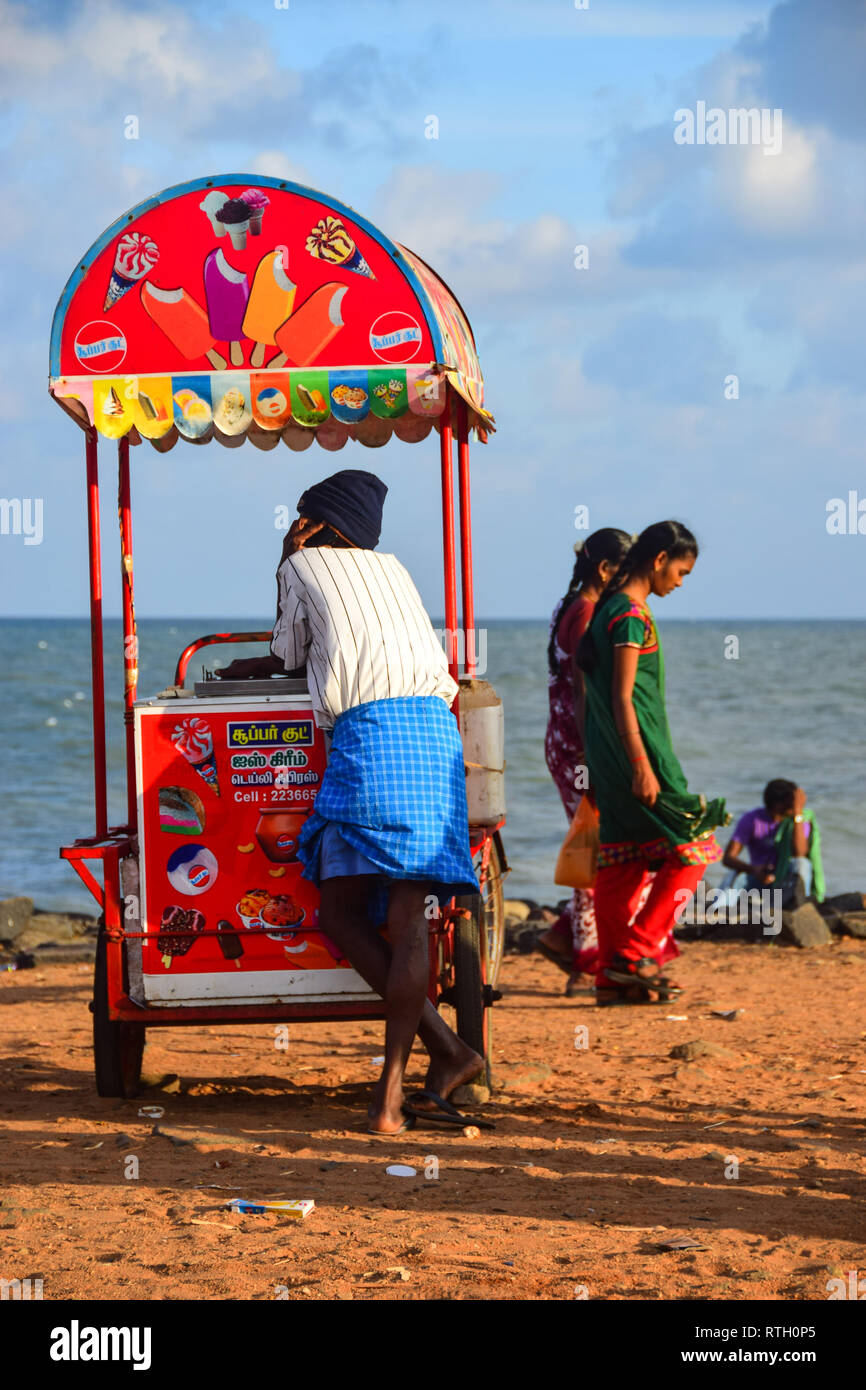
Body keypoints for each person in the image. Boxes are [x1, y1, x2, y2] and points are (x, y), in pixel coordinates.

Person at [220, 469, 483, 1133]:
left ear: (314, 524)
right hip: (431, 731)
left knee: (343, 910)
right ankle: (448, 1053)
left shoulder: (303, 564)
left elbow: (287, 652)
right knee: (402, 916)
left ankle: (394, 1095)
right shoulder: (392, 570)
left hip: (372, 736)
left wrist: (284, 560)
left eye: (301, 518)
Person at [577, 521, 729, 1004]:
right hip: (639, 753)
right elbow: (622, 698)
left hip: (608, 754)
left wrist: (600, 762)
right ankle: (638, 952)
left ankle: (611, 974)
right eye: (681, 571)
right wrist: (642, 763)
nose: (680, 583)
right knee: (694, 845)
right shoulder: (629, 615)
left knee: (622, 860)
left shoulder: (607, 609)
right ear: (659, 560)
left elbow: (590, 700)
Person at [538, 528, 632, 993]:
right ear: (605, 569)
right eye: (625, 570)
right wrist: (596, 755)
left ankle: (563, 938)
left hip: (562, 740)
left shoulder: (566, 604)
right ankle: (586, 962)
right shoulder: (588, 613)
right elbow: (581, 689)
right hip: (578, 746)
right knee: (592, 852)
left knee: (591, 845)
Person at [722, 780, 824, 906]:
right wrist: (753, 870)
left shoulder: (797, 820)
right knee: (736, 875)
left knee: (801, 864)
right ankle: (720, 907)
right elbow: (728, 858)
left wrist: (797, 814)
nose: (792, 805)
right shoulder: (752, 819)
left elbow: (800, 853)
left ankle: (799, 906)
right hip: (760, 878)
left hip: (786, 879)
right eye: (790, 801)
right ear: (776, 804)